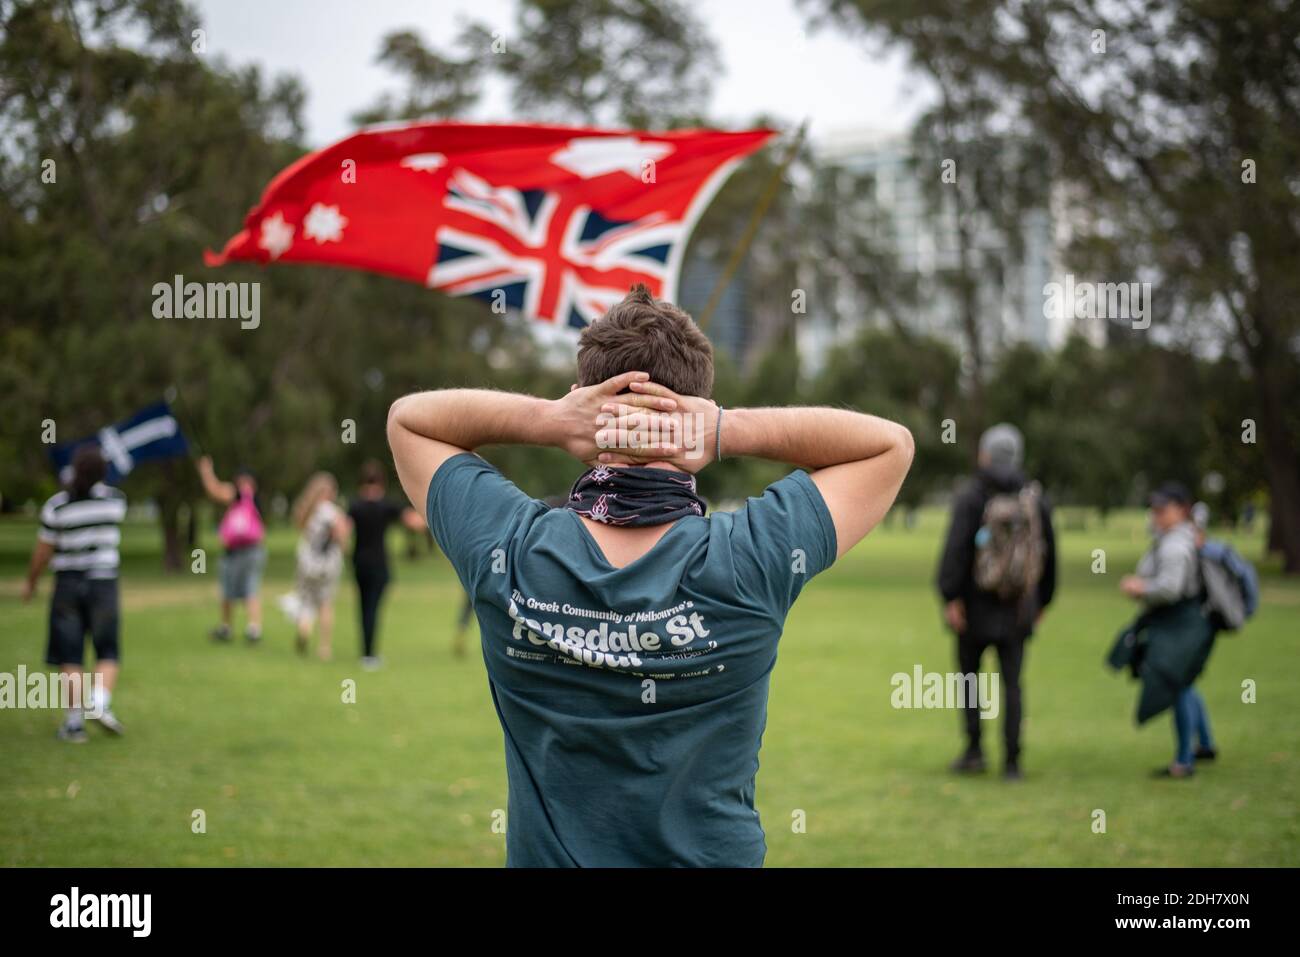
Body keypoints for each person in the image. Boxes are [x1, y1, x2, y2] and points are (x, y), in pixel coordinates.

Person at [387, 283, 915, 867]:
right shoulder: (752, 557)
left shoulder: (510, 549)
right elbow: (889, 446)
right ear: (696, 405)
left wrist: (551, 420)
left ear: (583, 402)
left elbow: (408, 422)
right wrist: (722, 431)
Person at [936, 423, 1057, 780]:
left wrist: (950, 596)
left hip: (974, 606)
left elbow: (956, 549)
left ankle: (974, 751)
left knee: (971, 680)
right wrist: (1042, 601)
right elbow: (1049, 554)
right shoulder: (1034, 497)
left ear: (985, 454)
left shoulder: (972, 495)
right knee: (1013, 683)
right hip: (1019, 607)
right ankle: (1013, 761)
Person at [23, 446, 128, 741]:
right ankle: (98, 702)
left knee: (70, 654)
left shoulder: (57, 506)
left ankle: (74, 723)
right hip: (103, 583)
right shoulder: (115, 502)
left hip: (67, 584)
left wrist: (31, 582)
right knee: (107, 649)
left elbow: (43, 552)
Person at [1119, 482, 1216, 778]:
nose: (1157, 514)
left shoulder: (1177, 544)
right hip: (1184, 620)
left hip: (1181, 621)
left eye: (1163, 509)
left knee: (1177, 683)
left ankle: (1183, 761)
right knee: (1185, 681)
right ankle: (1206, 744)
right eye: (1155, 508)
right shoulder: (1176, 537)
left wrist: (1140, 588)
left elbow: (1170, 589)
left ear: (1181, 509)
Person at [348, 460, 425, 669]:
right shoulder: (386, 505)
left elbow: (342, 530)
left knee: (363, 608)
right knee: (373, 608)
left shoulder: (354, 506)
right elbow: (414, 522)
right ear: (381, 482)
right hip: (379, 564)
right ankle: (370, 656)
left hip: (359, 564)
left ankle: (365, 652)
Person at [197, 456, 266, 644]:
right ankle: (253, 628)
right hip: (253, 551)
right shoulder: (255, 500)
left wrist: (206, 470)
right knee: (250, 588)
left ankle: (228, 627)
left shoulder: (237, 495)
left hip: (237, 552)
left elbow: (214, 490)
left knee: (231, 590)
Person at [284, 472, 350, 661]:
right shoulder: (331, 511)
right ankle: (324, 648)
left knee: (306, 602)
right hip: (328, 564)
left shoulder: (307, 511)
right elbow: (341, 534)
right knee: (326, 604)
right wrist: (344, 543)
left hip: (307, 563)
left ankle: (304, 628)